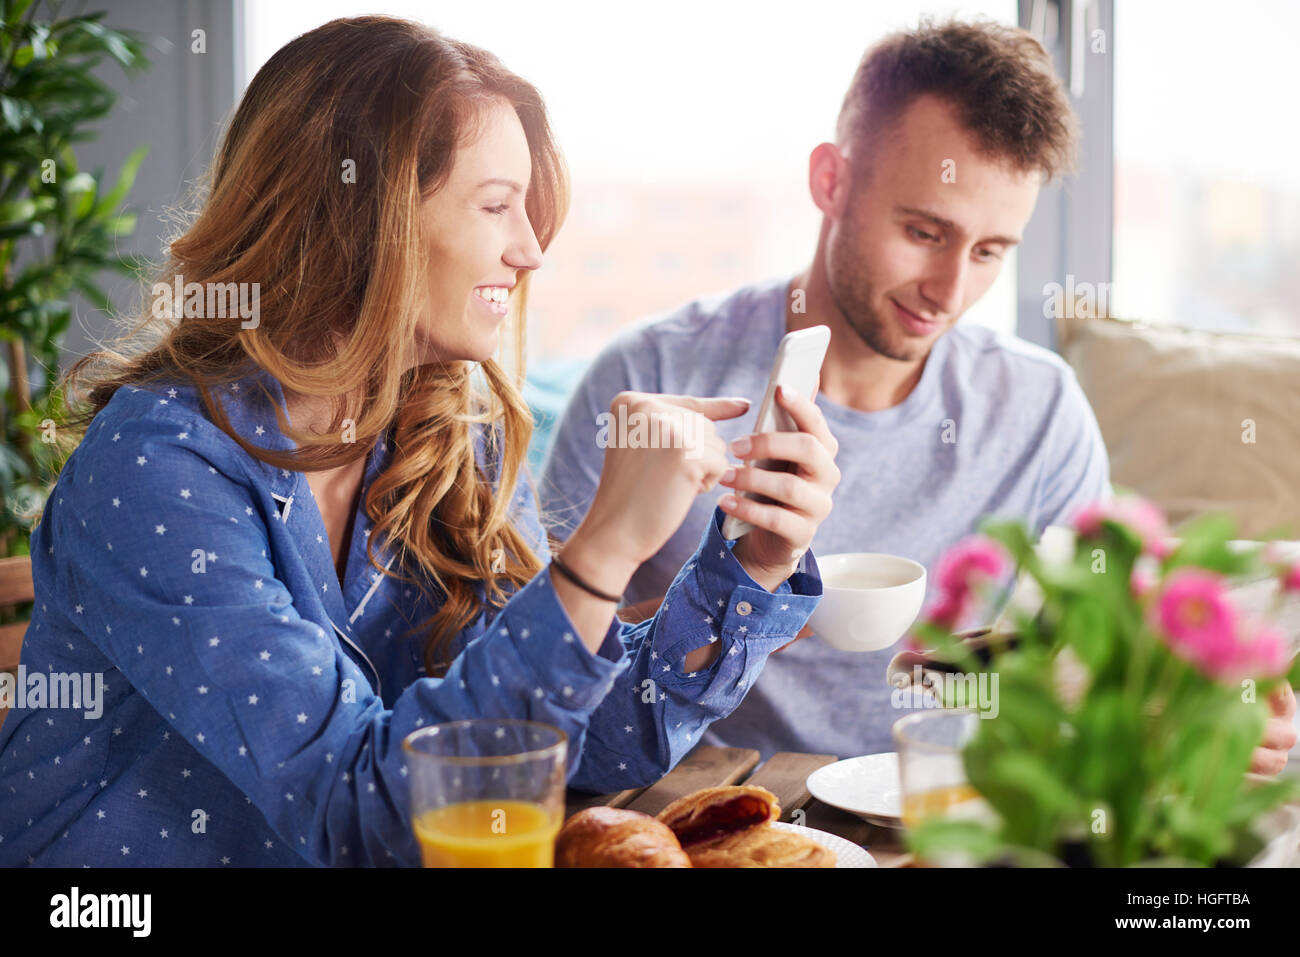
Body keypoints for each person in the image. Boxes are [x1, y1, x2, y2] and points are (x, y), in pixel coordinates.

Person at [0, 15, 840, 867]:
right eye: (496, 206)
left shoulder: (447, 431)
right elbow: (368, 814)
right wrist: (603, 551)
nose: (530, 250)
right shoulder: (157, 467)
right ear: (362, 217)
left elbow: (563, 748)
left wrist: (750, 564)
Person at [538, 18, 1298, 771]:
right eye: (926, 232)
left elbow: (1088, 662)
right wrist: (737, 596)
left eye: (991, 250)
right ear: (830, 181)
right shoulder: (651, 383)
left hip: (954, 822)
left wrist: (1179, 706)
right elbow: (532, 681)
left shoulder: (1037, 411)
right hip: (723, 820)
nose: (951, 291)